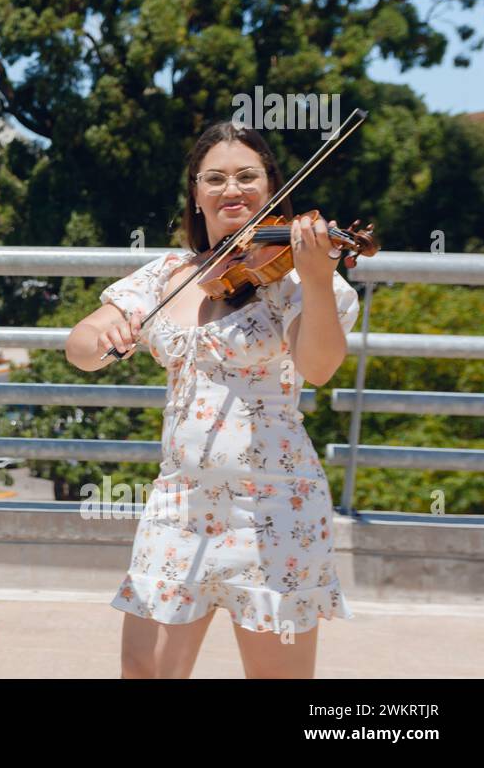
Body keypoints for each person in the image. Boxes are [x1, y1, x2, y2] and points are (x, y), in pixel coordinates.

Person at [65, 121, 360, 679]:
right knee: (143, 671)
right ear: (196, 194)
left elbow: (319, 367)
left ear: (272, 187)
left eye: (248, 176)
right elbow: (81, 344)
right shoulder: (169, 274)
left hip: (273, 508)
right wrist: (102, 338)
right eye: (216, 178)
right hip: (179, 504)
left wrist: (319, 279)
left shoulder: (298, 279)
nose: (233, 189)